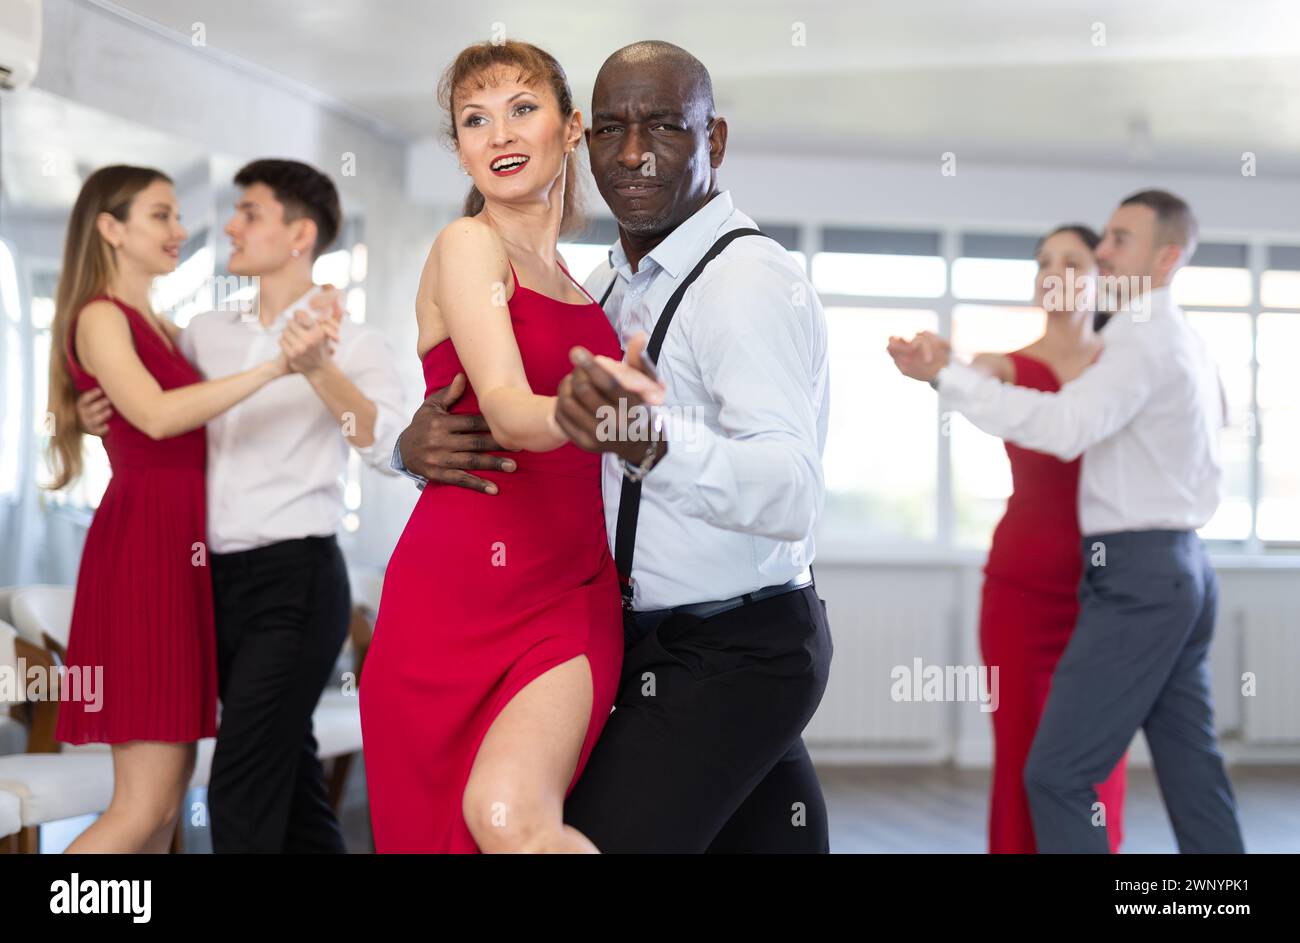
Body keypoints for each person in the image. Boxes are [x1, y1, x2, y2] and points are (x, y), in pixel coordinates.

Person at [395, 40, 834, 853]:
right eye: (614, 130)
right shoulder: (601, 287)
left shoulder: (747, 283)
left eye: (664, 126)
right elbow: (490, 396)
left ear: (716, 141)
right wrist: (405, 446)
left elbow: (792, 491)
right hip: (626, 632)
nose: (633, 153)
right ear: (586, 142)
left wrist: (652, 443)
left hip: (731, 646)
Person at [359, 39, 664, 853]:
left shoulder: (585, 284)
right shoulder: (468, 246)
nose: (499, 134)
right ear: (457, 146)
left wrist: (626, 419)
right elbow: (499, 403)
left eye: (522, 109)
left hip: (568, 593)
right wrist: (582, 412)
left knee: (511, 815)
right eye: (474, 119)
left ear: (570, 131)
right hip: (448, 598)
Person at [888, 190, 1245, 854]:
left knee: (1057, 774)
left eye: (1120, 241)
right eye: (1103, 238)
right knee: (1192, 765)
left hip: (1137, 577)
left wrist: (947, 379)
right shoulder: (1181, 334)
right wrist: (951, 368)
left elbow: (1063, 426)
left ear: (1166, 258)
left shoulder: (1137, 336)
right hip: (1179, 569)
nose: (1105, 252)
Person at [77, 158, 406, 853]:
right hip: (205, 584)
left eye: (249, 212)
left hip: (296, 580)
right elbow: (155, 410)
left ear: (298, 234)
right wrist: (85, 414)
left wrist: (321, 371)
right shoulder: (201, 332)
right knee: (289, 789)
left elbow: (384, 446)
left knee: (238, 788)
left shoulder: (356, 340)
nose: (227, 224)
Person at [46, 165, 297, 852]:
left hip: (179, 549)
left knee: (162, 812)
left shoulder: (160, 324)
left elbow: (163, 417)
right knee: (143, 805)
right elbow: (156, 418)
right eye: (160, 214)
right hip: (146, 550)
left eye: (177, 215)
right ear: (110, 227)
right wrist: (276, 366)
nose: (180, 230)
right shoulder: (101, 315)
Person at [902, 224, 1128, 853]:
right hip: (1022, 590)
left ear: (1101, 276)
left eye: (1071, 261)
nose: (1052, 273)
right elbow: (964, 378)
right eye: (1043, 262)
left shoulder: (1125, 369)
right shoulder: (1006, 364)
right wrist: (934, 367)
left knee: (1098, 761)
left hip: (1107, 591)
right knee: (1024, 756)